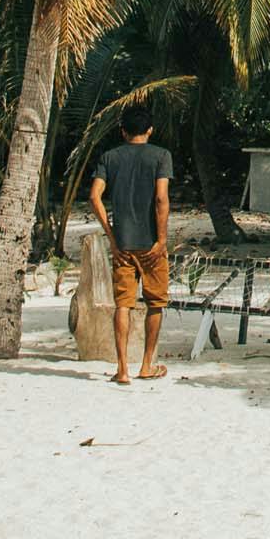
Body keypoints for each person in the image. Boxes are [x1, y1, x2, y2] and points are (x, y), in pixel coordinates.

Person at [84, 110, 173, 386]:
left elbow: (94, 196)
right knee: (155, 303)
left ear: (123, 131)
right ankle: (146, 365)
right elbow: (161, 198)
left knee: (123, 305)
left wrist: (111, 235)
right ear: (150, 130)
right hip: (151, 245)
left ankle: (122, 369)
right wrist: (161, 239)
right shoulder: (161, 156)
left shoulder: (109, 157)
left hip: (122, 244)